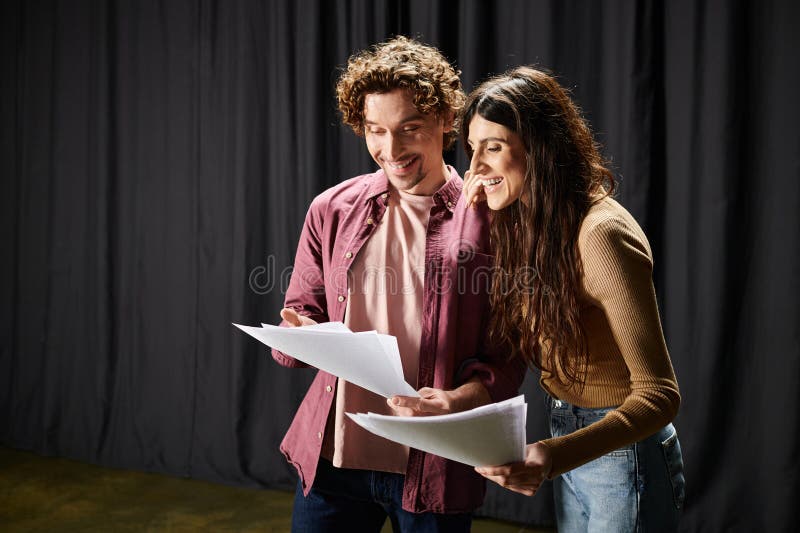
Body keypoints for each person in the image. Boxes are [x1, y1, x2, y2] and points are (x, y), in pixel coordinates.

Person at [272, 37, 526, 533]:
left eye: (409, 129)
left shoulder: (495, 221)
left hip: (433, 463)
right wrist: (299, 334)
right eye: (375, 131)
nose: (391, 150)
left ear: (447, 121)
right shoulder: (332, 209)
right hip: (333, 462)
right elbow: (300, 315)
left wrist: (457, 400)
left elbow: (510, 355)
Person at [460, 67, 686, 532]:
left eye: (494, 147)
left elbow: (660, 395)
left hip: (624, 455)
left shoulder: (600, 235)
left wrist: (554, 454)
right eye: (472, 146)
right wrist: (474, 224)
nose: (476, 167)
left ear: (540, 149)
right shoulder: (527, 221)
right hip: (569, 433)